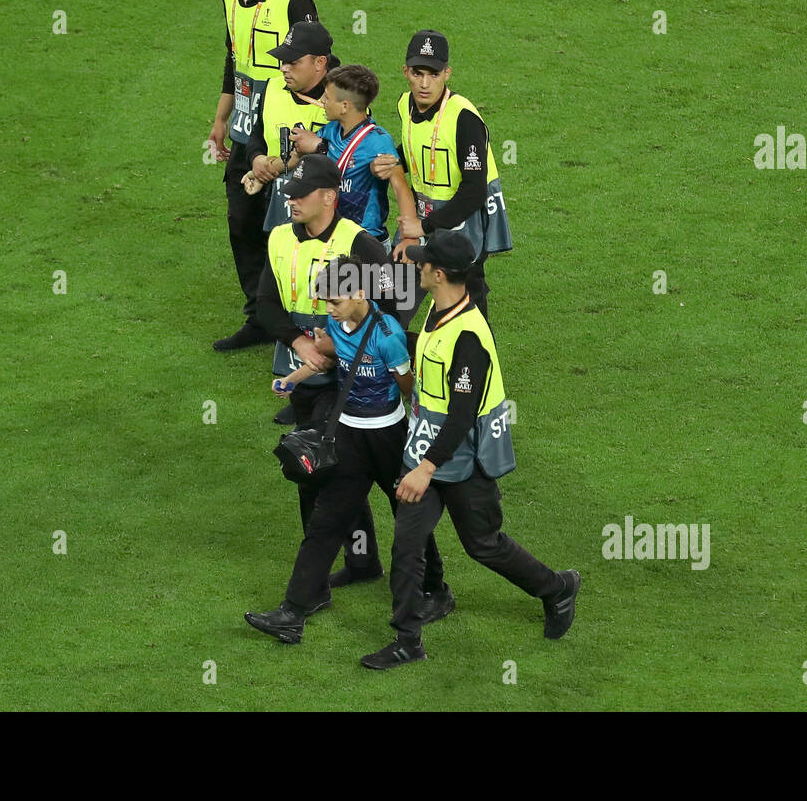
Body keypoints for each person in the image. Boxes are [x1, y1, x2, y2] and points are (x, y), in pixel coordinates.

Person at [360, 229, 579, 670]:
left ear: (438, 275)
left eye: (423, 264)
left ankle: (557, 588)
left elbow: (461, 416)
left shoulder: (470, 339)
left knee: (483, 545)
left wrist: (424, 468)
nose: (417, 266)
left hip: (462, 460)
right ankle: (408, 639)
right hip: (427, 452)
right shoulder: (441, 312)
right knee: (406, 543)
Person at [244, 256, 451, 642]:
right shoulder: (335, 326)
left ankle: (435, 590)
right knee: (325, 523)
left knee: (408, 517)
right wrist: (290, 380)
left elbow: (409, 390)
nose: (329, 310)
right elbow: (325, 361)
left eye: (334, 301)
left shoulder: (388, 336)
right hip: (349, 439)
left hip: (389, 438)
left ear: (359, 292)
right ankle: (294, 612)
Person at [256, 156, 400, 584]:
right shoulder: (280, 237)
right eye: (289, 194)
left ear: (329, 197)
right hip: (305, 378)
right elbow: (265, 304)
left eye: (300, 196)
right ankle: (361, 562)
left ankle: (315, 583)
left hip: (344, 384)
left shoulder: (359, 244)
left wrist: (346, 345)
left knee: (314, 467)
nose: (291, 201)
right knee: (326, 471)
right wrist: (300, 343)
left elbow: (399, 300)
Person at [207, 0, 318, 352]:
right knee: (241, 218)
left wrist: (305, 136)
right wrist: (221, 118)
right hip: (244, 126)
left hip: (285, 127)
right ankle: (260, 315)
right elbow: (233, 58)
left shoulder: (294, 1)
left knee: (291, 226)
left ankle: (298, 320)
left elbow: (318, 62)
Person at [372, 30, 512, 323]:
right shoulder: (404, 104)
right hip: (424, 217)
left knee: (465, 311)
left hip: (463, 223)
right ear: (405, 71)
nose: (424, 83)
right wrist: (395, 160)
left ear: (447, 73)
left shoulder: (464, 118)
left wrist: (424, 226)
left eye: (433, 74)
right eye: (417, 73)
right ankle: (394, 359)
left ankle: (475, 363)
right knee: (391, 296)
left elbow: (473, 191)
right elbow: (421, 145)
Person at [239, 19, 338, 424]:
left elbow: (353, 155)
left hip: (329, 220)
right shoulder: (276, 90)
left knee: (328, 299)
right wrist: (258, 160)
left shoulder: (339, 102)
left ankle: (333, 391)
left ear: (319, 64)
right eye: (282, 60)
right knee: (292, 289)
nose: (284, 68)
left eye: (292, 62)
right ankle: (301, 393)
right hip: (285, 212)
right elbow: (258, 139)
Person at [286, 65, 419, 253]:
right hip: (333, 236)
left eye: (327, 97)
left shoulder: (378, 141)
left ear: (345, 106)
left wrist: (409, 238)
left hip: (366, 239)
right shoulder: (330, 130)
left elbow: (400, 188)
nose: (322, 101)